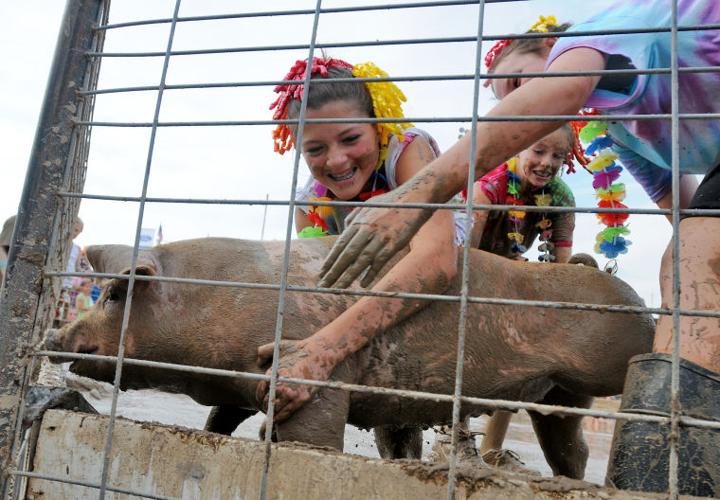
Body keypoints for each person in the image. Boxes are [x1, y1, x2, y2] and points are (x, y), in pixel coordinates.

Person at [317, 5, 720, 495]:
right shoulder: (620, 128)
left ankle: (662, 482)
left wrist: (420, 192)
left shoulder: (591, 40)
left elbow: (556, 100)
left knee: (698, 259)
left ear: (548, 50)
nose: (523, 110)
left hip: (505, 271)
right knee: (690, 264)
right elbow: (681, 210)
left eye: (519, 85)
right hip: (484, 262)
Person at [256, 56, 459, 425]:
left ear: (377, 124)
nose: (336, 161)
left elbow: (437, 258)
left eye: (351, 138)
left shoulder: (406, 151)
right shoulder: (307, 204)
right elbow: (331, 282)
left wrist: (324, 352)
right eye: (315, 150)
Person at [432, 126, 577, 472]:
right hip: (468, 271)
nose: (547, 163)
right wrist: (509, 272)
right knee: (460, 347)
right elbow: (465, 256)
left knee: (517, 356)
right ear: (519, 145)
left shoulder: (560, 198)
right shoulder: (487, 188)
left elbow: (562, 268)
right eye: (539, 151)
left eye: (558, 156)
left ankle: (492, 449)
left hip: (512, 281)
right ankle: (450, 439)